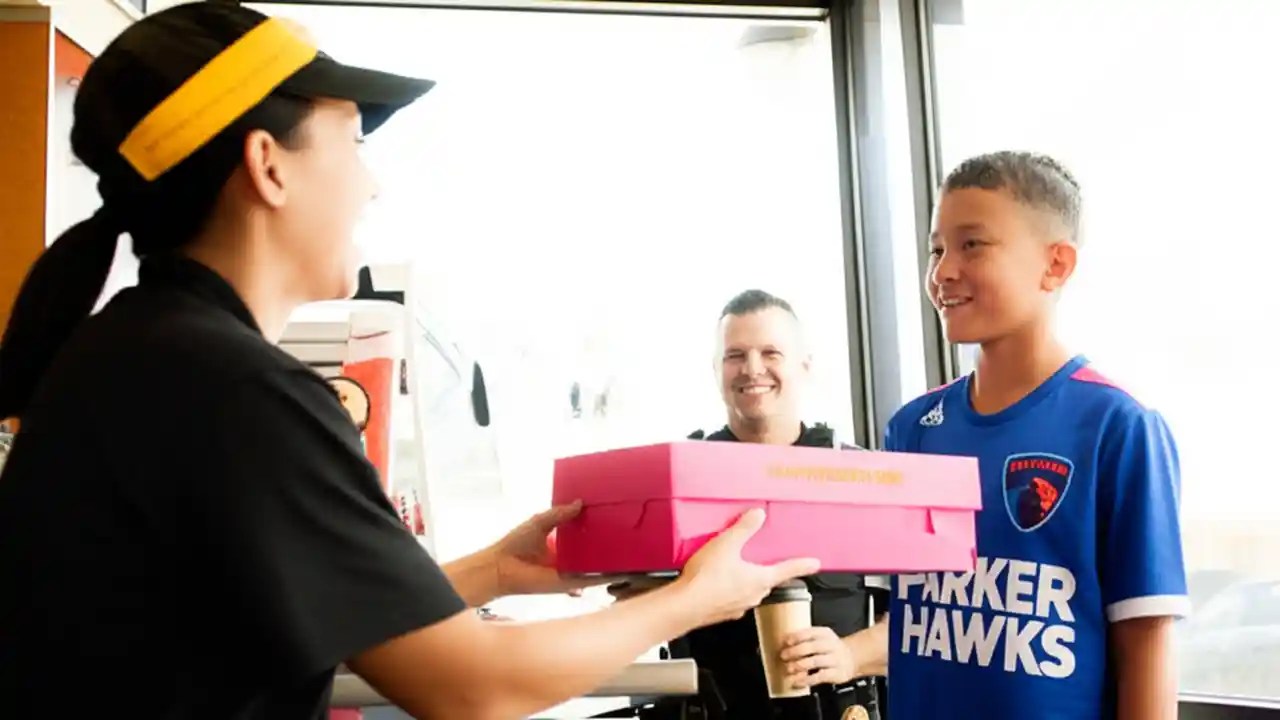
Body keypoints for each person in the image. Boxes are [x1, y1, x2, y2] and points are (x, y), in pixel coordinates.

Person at [0, 5, 821, 719]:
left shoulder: (142, 352)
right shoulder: (236, 391)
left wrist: (495, 571)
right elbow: (471, 690)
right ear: (268, 165)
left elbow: (301, 618)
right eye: (353, 142)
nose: (371, 187)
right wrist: (695, 597)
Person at [883, 151, 1187, 719]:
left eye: (972, 245)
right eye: (937, 248)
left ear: (1056, 266)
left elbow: (1147, 641)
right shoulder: (911, 429)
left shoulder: (1118, 427)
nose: (944, 270)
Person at [622, 290, 889, 720]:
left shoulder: (862, 478)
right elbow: (628, 606)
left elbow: (924, 621)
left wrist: (851, 655)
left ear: (804, 366)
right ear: (715, 370)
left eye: (771, 352)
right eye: (735, 355)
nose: (752, 369)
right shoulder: (679, 484)